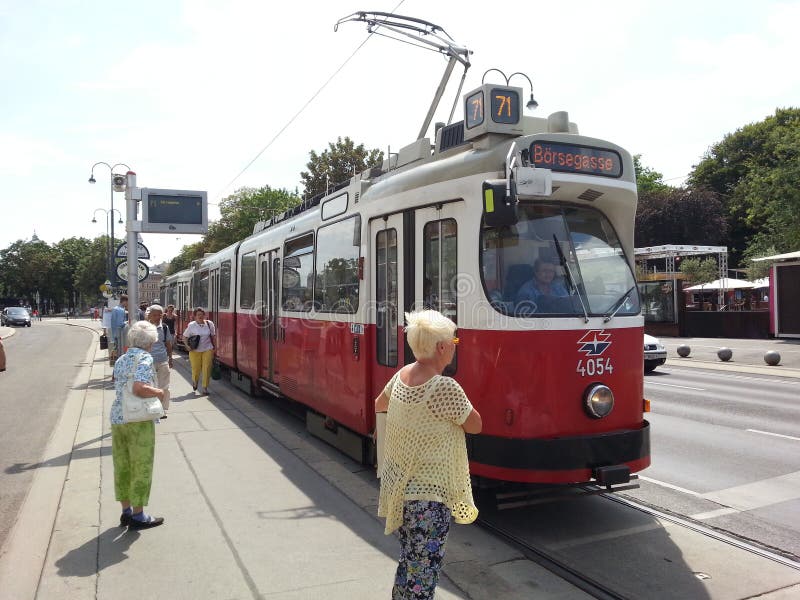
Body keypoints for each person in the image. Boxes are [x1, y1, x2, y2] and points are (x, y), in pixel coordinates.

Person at [375, 309, 482, 599]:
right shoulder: (444, 387)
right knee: (424, 573)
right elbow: (475, 424)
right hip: (429, 497)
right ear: (441, 347)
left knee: (410, 562)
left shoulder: (402, 376)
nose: (454, 348)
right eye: (454, 343)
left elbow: (379, 404)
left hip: (402, 490)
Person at [111, 320, 165, 529]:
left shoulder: (122, 358)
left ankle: (125, 512)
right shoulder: (144, 358)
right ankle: (139, 515)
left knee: (122, 465)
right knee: (141, 465)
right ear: (150, 342)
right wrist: (159, 392)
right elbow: (139, 388)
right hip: (138, 419)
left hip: (118, 417)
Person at [146, 304, 174, 419]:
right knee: (149, 386)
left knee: (164, 386)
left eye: (159, 315)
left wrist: (170, 358)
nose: (157, 317)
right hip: (148, 362)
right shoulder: (144, 328)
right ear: (149, 315)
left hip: (162, 360)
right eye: (154, 315)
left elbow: (168, 344)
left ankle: (162, 409)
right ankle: (151, 408)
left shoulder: (165, 327)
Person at [183, 307, 216, 395]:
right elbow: (185, 337)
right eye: (198, 315)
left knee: (207, 368)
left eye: (202, 315)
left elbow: (213, 336)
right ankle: (195, 381)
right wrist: (187, 346)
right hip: (194, 350)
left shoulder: (209, 324)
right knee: (196, 368)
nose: (200, 316)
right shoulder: (191, 325)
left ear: (204, 315)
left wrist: (214, 347)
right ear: (195, 316)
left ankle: (205, 388)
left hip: (207, 348)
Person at [110, 295, 129, 360]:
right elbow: (120, 324)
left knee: (116, 349)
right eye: (127, 302)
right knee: (120, 351)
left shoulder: (115, 308)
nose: (128, 304)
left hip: (114, 333)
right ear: (124, 301)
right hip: (120, 334)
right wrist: (127, 322)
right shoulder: (121, 310)